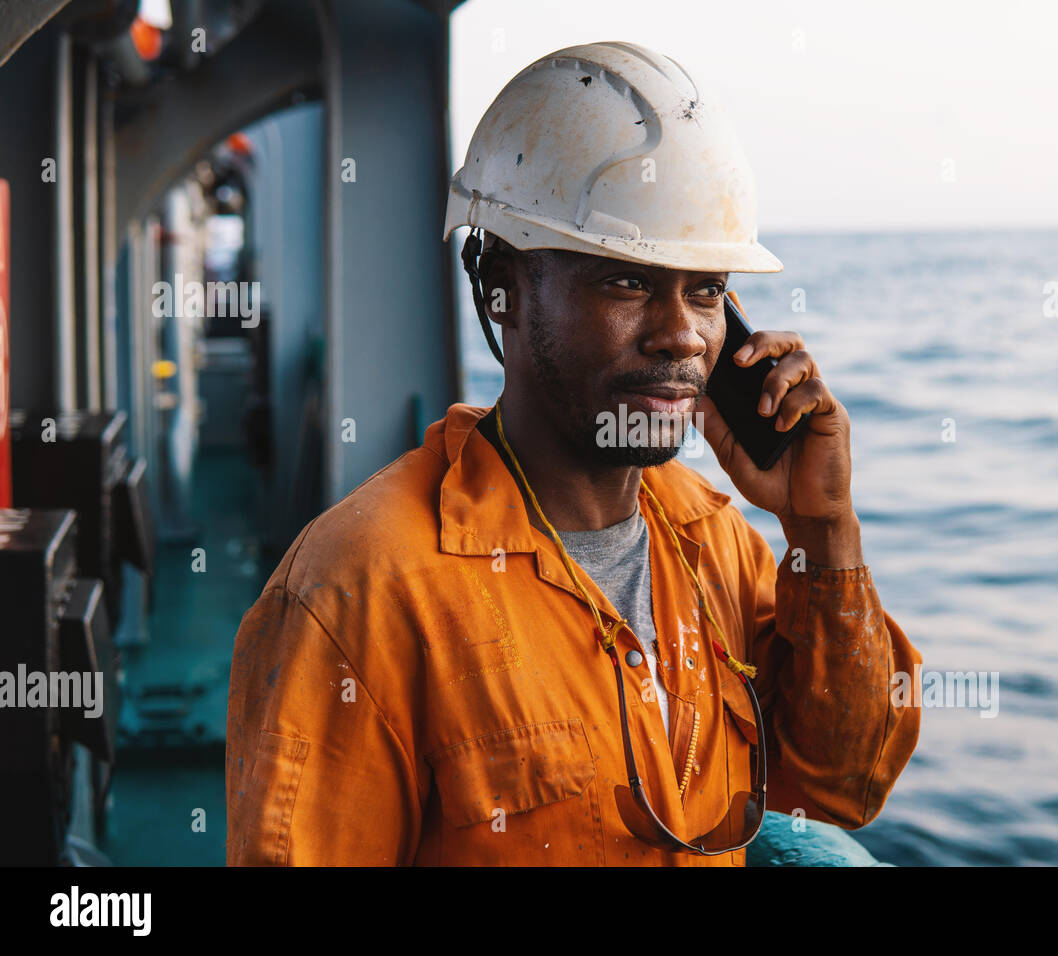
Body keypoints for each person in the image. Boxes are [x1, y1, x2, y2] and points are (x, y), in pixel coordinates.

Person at [226, 40, 921, 866]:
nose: (681, 336)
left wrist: (824, 527)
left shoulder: (710, 544)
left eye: (705, 292)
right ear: (504, 291)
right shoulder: (360, 592)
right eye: (626, 283)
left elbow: (845, 781)